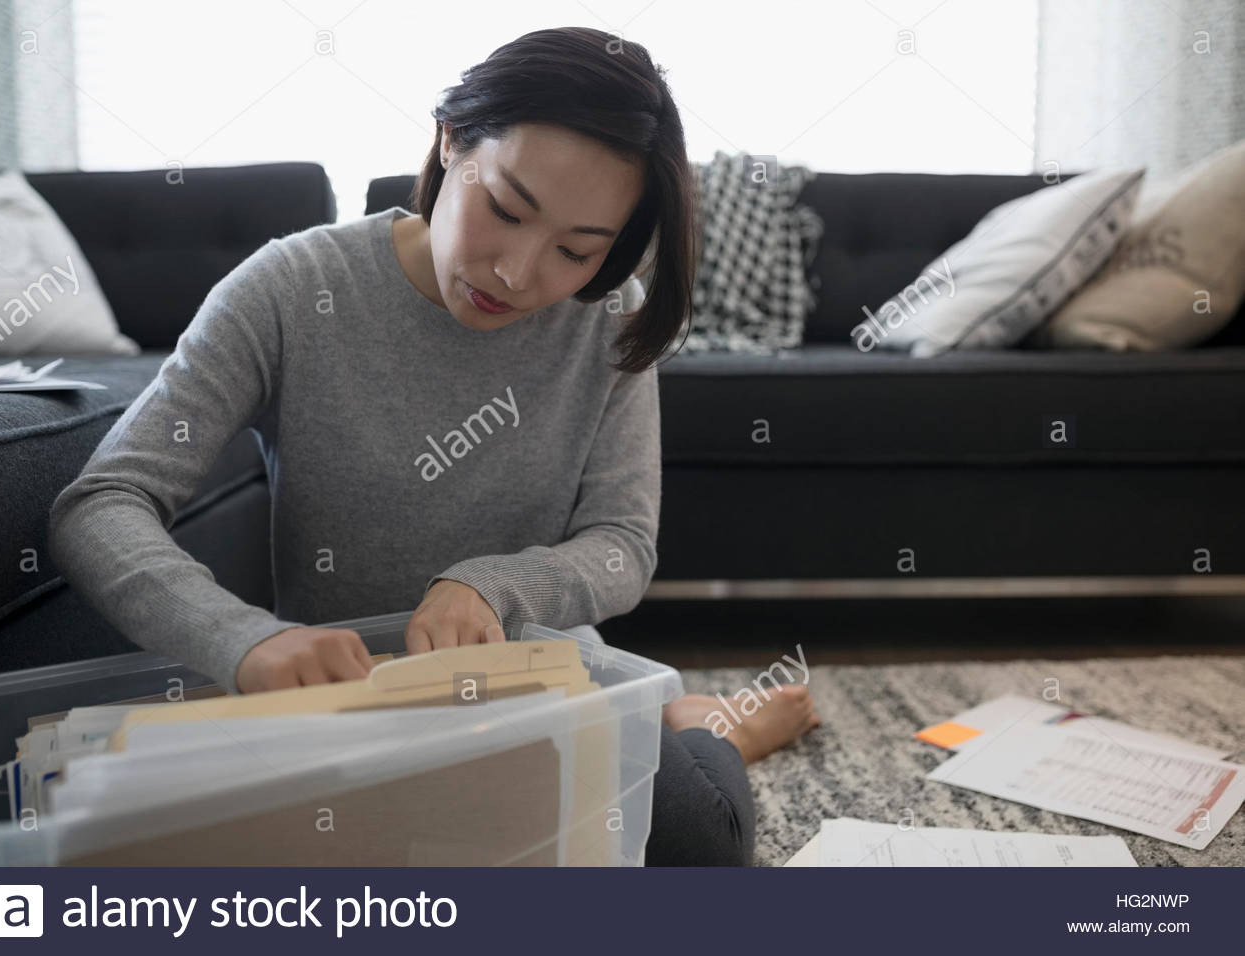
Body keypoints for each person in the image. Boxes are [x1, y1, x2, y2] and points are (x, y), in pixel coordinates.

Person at [49, 26, 819, 866]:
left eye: (576, 250)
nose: (520, 274)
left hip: (544, 688)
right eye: (507, 210)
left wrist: (491, 585)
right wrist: (244, 640)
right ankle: (676, 712)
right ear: (452, 141)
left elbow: (624, 546)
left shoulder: (609, 319)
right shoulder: (291, 288)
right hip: (345, 705)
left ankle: (717, 733)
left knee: (690, 838)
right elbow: (100, 504)